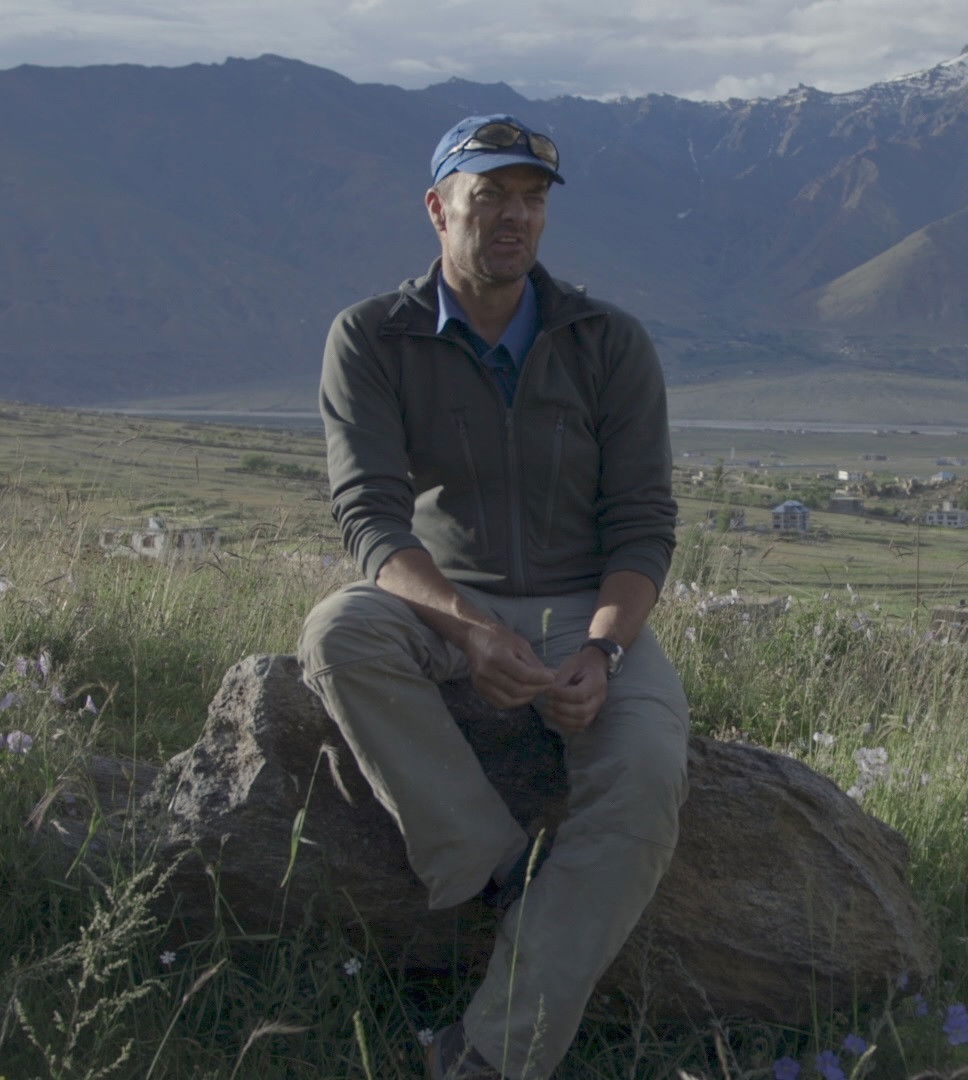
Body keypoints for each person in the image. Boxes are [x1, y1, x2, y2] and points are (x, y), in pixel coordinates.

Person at [296, 113, 689, 1080]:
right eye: (490, 197)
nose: (514, 218)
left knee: (642, 773)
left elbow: (643, 525)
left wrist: (601, 650)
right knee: (338, 629)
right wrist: (468, 630)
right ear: (438, 209)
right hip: (442, 603)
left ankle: (485, 1056)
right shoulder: (371, 338)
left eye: (533, 199)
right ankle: (498, 869)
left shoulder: (608, 342)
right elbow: (372, 526)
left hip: (585, 613)